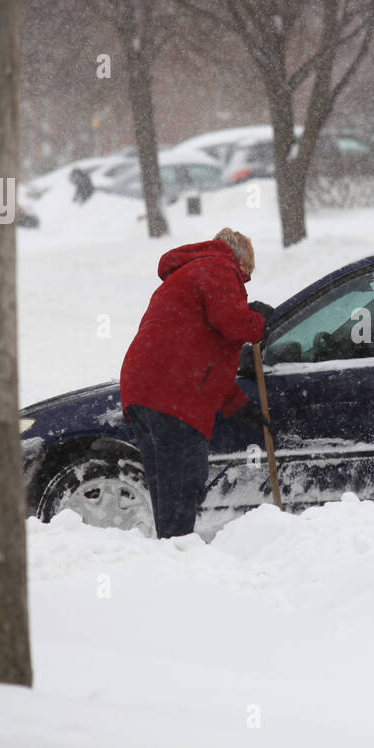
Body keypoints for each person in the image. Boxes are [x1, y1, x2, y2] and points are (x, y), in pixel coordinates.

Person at [120, 227, 274, 538]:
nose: (244, 282)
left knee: (168, 486)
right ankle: (177, 556)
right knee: (185, 481)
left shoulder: (192, 272)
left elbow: (203, 360)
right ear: (239, 260)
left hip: (145, 390)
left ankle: (170, 552)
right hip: (171, 396)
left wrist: (237, 406)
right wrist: (259, 322)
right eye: (247, 273)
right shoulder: (218, 267)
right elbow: (231, 323)